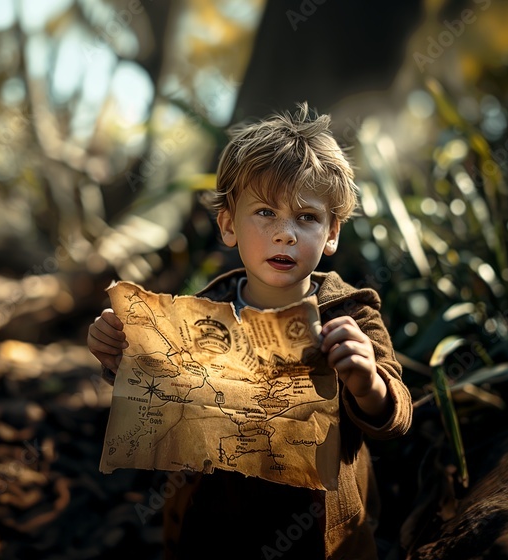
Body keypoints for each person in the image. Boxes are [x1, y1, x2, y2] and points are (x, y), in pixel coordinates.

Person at [88, 103, 413, 559]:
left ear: (332, 233)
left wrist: (367, 383)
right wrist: (119, 355)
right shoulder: (200, 313)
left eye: (307, 217)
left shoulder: (351, 314)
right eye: (265, 212)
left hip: (318, 533)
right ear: (228, 225)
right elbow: (161, 395)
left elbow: (395, 418)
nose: (285, 234)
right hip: (213, 526)